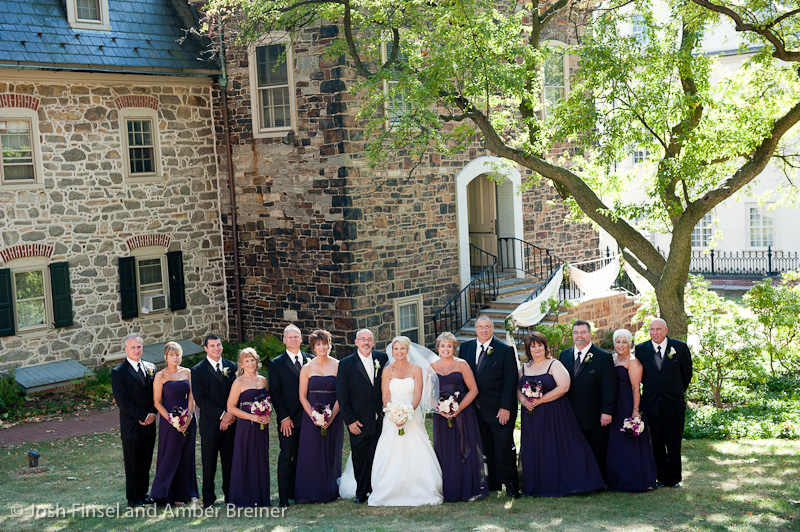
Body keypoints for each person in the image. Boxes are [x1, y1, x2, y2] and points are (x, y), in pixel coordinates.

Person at [517, 332, 605, 496]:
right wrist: (523, 400)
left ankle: (565, 481)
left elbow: (564, 387)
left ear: (545, 346)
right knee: (535, 447)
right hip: (531, 415)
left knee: (555, 446)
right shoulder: (523, 368)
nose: (537, 349)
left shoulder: (554, 364)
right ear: (529, 349)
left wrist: (541, 400)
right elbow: (517, 388)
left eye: (540, 345)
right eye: (533, 346)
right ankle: (538, 483)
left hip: (554, 413)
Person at [368, 336, 443, 506]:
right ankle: (389, 488)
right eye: (396, 349)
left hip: (412, 413)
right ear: (392, 351)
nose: (399, 352)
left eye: (402, 349)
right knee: (391, 448)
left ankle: (420, 488)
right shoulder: (387, 371)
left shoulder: (416, 369)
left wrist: (408, 413)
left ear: (408, 350)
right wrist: (393, 413)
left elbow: (417, 393)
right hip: (391, 414)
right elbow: (385, 395)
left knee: (415, 446)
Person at [460, 315, 520, 498]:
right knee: (486, 447)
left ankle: (511, 484)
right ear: (475, 329)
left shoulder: (505, 350)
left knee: (504, 447)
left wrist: (505, 408)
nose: (483, 330)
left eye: (487, 327)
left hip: (499, 409)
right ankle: (493, 482)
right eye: (480, 327)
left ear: (493, 328)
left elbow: (511, 382)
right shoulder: (466, 348)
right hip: (476, 410)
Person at [430, 332, 489, 502]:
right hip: (441, 417)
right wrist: (440, 409)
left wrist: (458, 409)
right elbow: (429, 394)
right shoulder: (432, 366)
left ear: (454, 348)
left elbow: (473, 390)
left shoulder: (462, 364)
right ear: (438, 348)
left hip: (463, 413)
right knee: (446, 449)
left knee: (465, 446)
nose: (446, 349)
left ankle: (467, 488)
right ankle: (450, 488)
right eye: (443, 346)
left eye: (449, 346)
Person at [636, 318, 693, 488]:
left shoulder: (680, 348)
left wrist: (673, 392)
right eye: (652, 329)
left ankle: (674, 478)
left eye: (658, 329)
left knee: (674, 442)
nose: (655, 333)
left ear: (666, 330)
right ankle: (660, 476)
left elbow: (686, 374)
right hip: (652, 404)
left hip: (674, 404)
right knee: (657, 443)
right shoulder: (641, 349)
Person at [558, 320, 617, 481]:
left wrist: (607, 411)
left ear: (590, 334)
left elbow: (609, 387)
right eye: (576, 332)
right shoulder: (564, 355)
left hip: (595, 413)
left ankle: (599, 481)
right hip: (570, 413)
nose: (579, 336)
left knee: (597, 448)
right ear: (572, 335)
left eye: (583, 332)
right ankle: (577, 479)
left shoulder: (603, 357)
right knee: (574, 448)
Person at [335, 328, 388, 503]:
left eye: (369, 339)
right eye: (362, 339)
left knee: (376, 456)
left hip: (379, 419)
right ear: (356, 342)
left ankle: (374, 489)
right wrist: (350, 421)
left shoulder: (382, 359)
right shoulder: (346, 364)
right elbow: (343, 396)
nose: (366, 342)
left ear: (373, 342)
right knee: (359, 457)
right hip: (358, 421)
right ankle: (361, 491)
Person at [294, 330, 343, 503]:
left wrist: (331, 417)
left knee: (332, 450)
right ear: (314, 347)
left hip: (334, 414)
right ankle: (311, 491)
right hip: (312, 416)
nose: (322, 347)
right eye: (318, 344)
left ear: (329, 345)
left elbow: (342, 395)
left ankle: (331, 490)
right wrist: (314, 416)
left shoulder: (338, 365)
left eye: (325, 344)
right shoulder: (307, 368)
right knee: (312, 451)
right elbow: (302, 395)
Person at [606, 329, 657, 492]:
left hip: (628, 403)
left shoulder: (633, 361)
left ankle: (633, 479)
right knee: (616, 441)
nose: (620, 345)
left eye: (624, 342)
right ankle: (616, 478)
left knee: (629, 441)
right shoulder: (612, 358)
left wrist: (635, 410)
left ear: (630, 343)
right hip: (614, 404)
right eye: (618, 341)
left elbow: (636, 388)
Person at [268, 324, 312, 507]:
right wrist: (284, 417)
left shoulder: (311, 359)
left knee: (306, 455)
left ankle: (302, 492)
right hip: (289, 419)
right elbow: (275, 393)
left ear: (301, 339)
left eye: (297, 337)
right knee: (287, 455)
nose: (293, 340)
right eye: (290, 337)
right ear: (284, 340)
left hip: (309, 417)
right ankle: (285, 496)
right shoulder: (276, 363)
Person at [191, 334, 238, 508]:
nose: (216, 348)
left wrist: (230, 415)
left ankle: (230, 495)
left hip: (231, 423)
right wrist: (222, 415)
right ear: (206, 348)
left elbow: (236, 393)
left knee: (229, 462)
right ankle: (209, 499)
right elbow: (201, 399)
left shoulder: (231, 366)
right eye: (212, 346)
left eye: (218, 345)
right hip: (210, 424)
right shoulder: (197, 370)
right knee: (209, 463)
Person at [111, 333, 157, 507]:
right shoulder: (118, 372)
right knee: (132, 463)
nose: (136, 350)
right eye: (133, 347)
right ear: (126, 349)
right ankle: (133, 497)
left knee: (146, 461)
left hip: (149, 424)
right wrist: (143, 416)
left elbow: (155, 395)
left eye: (139, 347)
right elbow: (123, 402)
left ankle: (144, 493)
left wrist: (152, 414)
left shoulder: (151, 367)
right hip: (131, 425)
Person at [151, 341, 199, 506]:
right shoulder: (160, 376)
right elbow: (157, 402)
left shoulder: (187, 372)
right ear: (166, 357)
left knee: (187, 454)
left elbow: (192, 397)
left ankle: (187, 493)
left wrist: (189, 417)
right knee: (169, 455)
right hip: (169, 420)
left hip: (188, 417)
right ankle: (163, 493)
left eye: (178, 354)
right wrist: (172, 419)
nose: (175, 357)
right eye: (172, 355)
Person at [227, 348, 271, 507]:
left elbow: (268, 402)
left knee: (260, 458)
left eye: (252, 360)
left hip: (262, 427)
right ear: (241, 364)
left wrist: (268, 413)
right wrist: (252, 416)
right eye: (246, 361)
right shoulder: (238, 382)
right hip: (246, 426)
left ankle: (261, 497)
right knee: (246, 458)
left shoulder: (263, 380)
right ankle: (244, 497)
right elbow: (231, 407)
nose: (250, 363)